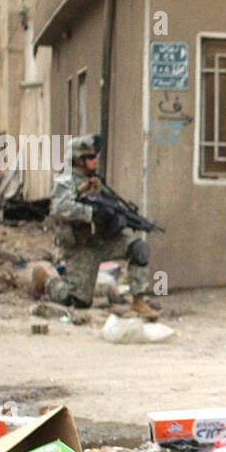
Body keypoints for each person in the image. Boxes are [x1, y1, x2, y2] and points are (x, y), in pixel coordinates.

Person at [40, 135, 160, 319]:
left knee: (139, 248)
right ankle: (48, 281)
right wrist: (91, 212)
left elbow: (108, 208)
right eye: (90, 158)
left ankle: (138, 303)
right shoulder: (65, 180)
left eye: (95, 157)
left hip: (105, 241)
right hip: (81, 247)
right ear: (78, 160)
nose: (95, 161)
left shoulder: (95, 181)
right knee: (78, 302)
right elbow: (59, 208)